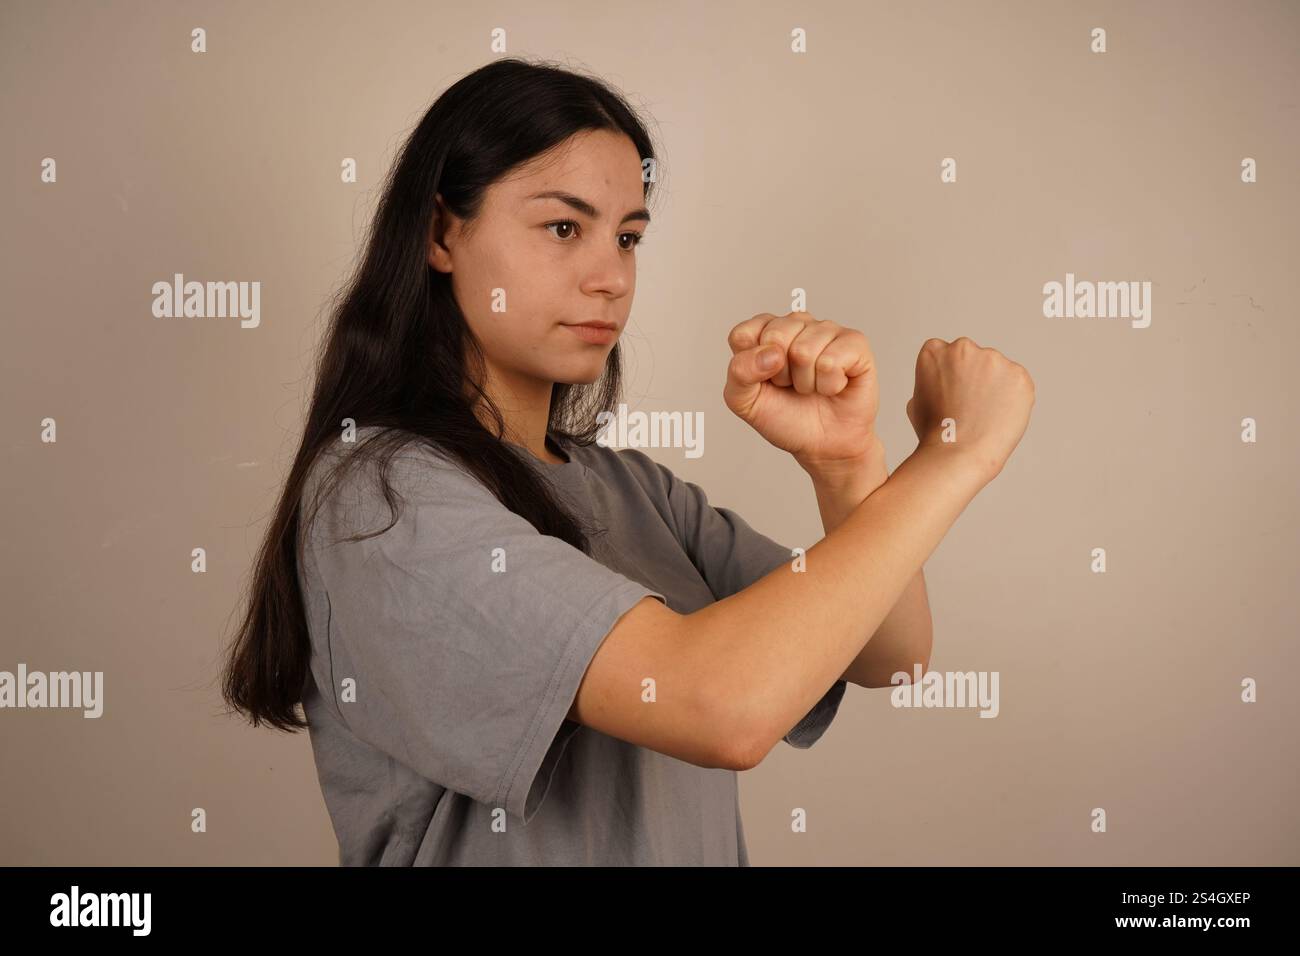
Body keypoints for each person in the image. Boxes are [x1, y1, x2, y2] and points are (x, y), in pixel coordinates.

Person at [220, 57, 1035, 866]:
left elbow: (888, 657)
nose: (610, 277)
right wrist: (954, 461)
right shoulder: (383, 496)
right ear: (441, 233)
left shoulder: (634, 488)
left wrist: (849, 466)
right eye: (564, 227)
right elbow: (726, 711)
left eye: (629, 237)